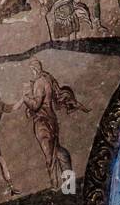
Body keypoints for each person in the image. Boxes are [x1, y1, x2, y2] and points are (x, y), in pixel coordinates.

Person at [21, 60, 88, 188]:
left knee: (49, 155)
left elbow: (36, 105)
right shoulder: (48, 79)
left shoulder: (39, 83)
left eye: (30, 70)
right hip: (52, 120)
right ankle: (70, 184)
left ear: (34, 69)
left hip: (42, 122)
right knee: (57, 151)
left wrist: (25, 98)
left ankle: (55, 186)